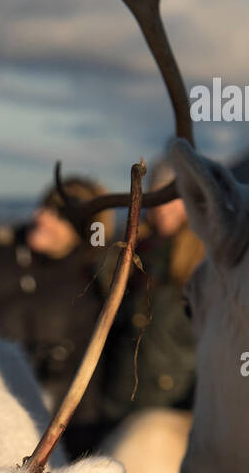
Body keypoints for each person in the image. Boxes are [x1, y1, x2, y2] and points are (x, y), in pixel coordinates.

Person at [0, 179, 113, 447]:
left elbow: (88, 384)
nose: (40, 217)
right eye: (43, 208)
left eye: (57, 215)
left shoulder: (90, 290)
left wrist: (81, 447)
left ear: (82, 230)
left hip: (48, 436)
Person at [85, 161, 204, 453]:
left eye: (172, 199)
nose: (163, 208)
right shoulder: (133, 252)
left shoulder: (204, 265)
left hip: (170, 412)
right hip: (117, 404)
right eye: (156, 198)